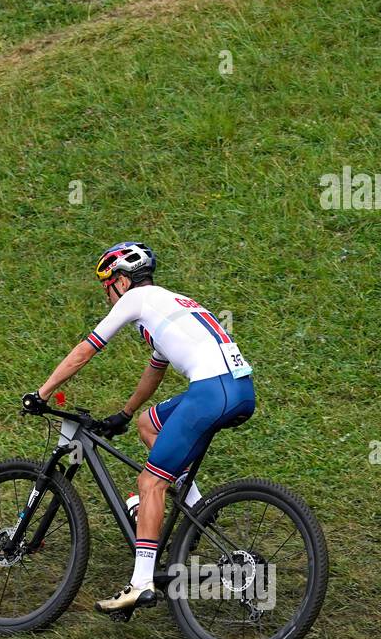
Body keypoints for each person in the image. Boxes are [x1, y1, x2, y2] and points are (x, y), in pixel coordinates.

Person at [23, 242, 255, 615]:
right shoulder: (172, 303)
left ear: (122, 281)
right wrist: (127, 413)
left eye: (108, 285)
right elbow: (156, 368)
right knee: (150, 425)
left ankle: (141, 583)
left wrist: (42, 392)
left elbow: (87, 349)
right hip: (238, 390)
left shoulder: (136, 300)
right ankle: (198, 509)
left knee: (150, 483)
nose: (107, 295)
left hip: (212, 391)